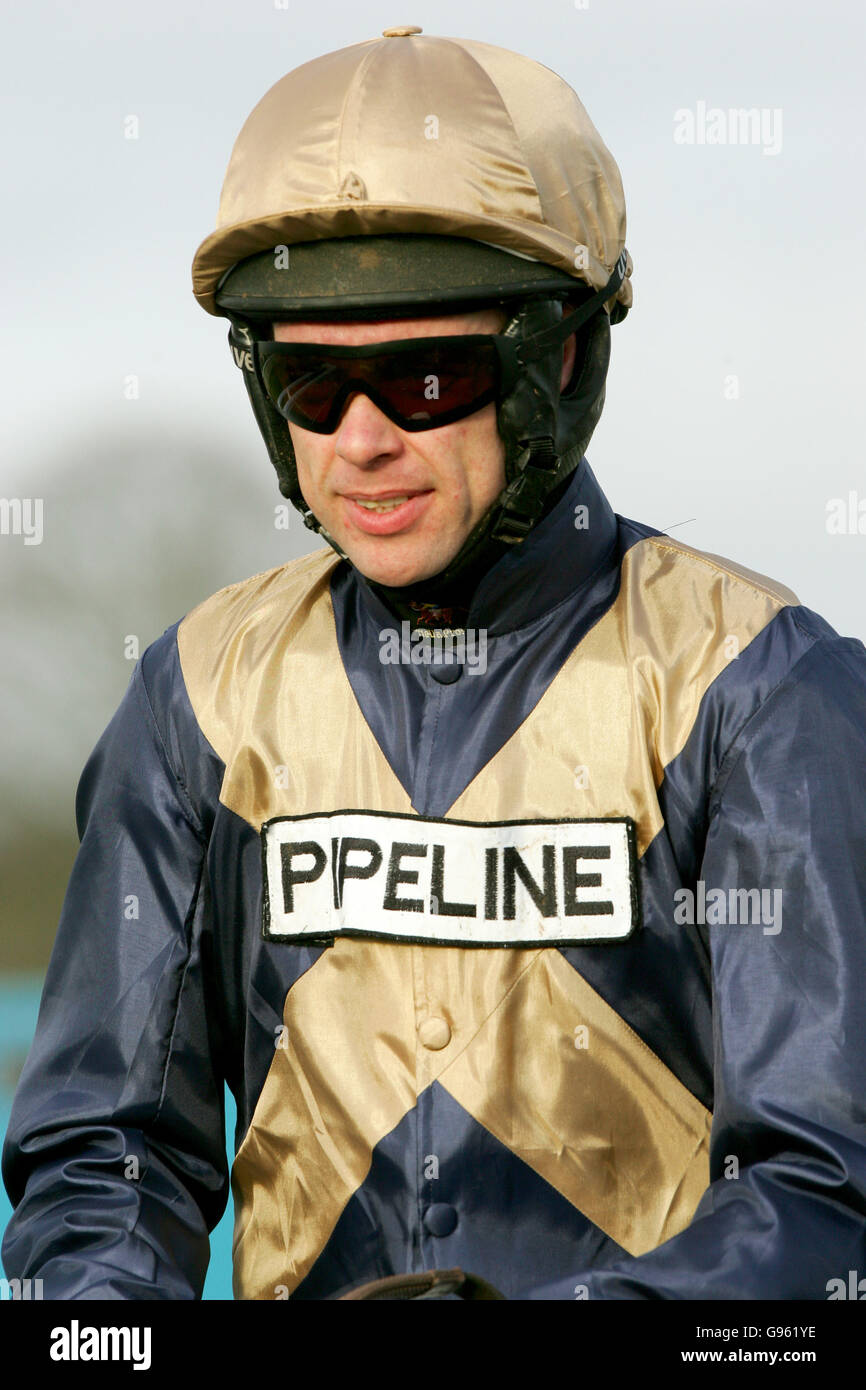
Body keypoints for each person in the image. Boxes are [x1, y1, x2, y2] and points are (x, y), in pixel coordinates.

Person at [3, 26, 866, 1302]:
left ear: (559, 357)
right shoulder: (196, 695)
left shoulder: (756, 688)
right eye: (309, 384)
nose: (358, 441)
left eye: (423, 379)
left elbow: (825, 1194)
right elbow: (105, 1159)